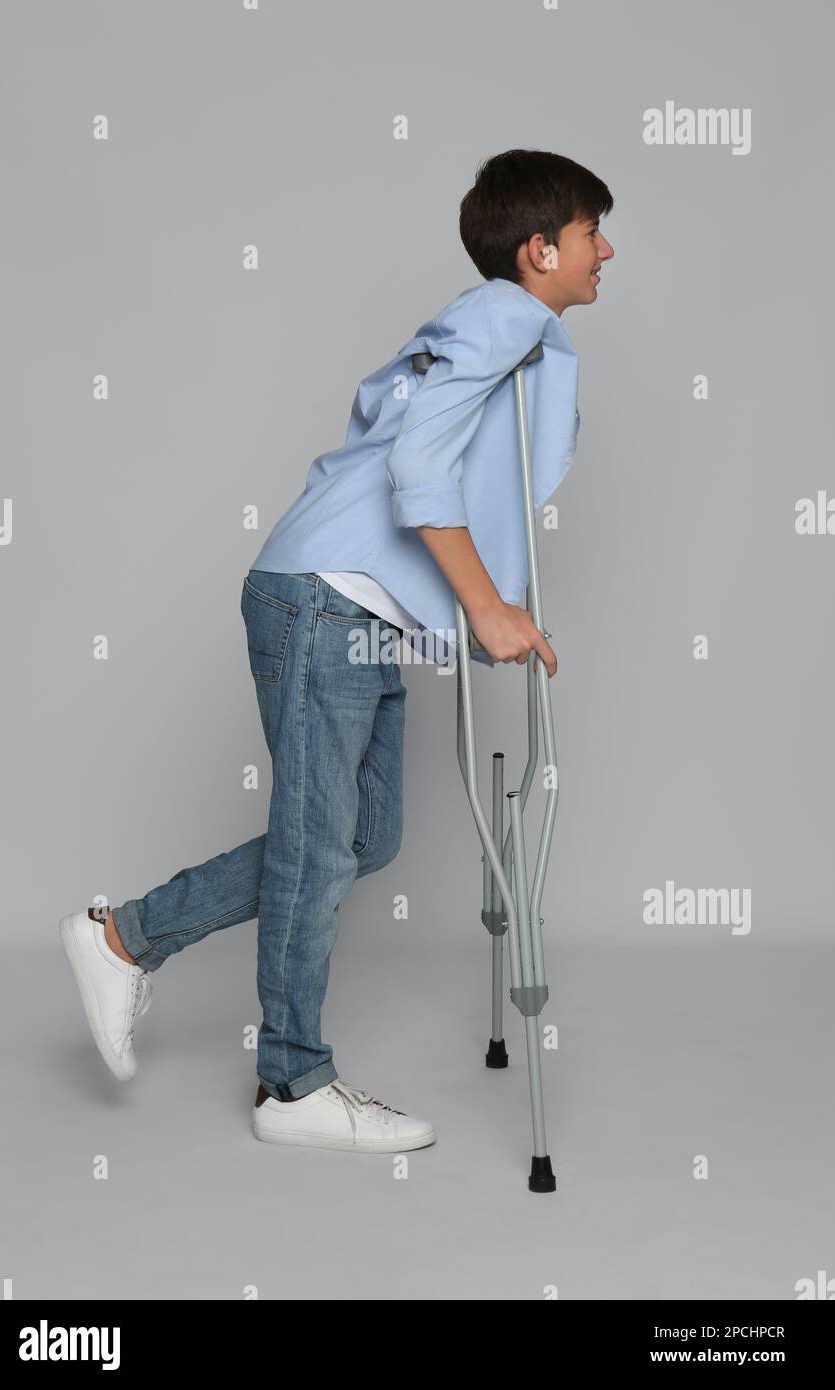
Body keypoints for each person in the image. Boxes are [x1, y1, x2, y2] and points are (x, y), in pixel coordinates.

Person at [59, 149, 615, 1155]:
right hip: (325, 601)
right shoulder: (509, 314)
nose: (602, 250)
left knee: (359, 839)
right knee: (323, 846)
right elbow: (414, 461)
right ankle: (291, 1085)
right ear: (538, 250)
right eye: (588, 234)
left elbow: (399, 441)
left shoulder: (482, 324)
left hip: (346, 605)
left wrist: (482, 612)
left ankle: (121, 936)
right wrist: (483, 605)